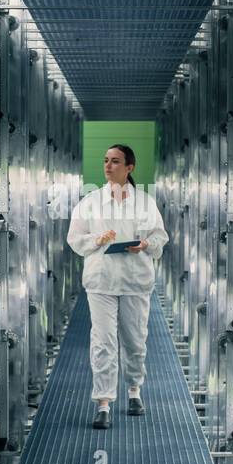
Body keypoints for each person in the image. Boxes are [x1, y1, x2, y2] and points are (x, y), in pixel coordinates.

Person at [66, 144, 170, 429]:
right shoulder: (90, 202)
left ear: (129, 168)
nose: (108, 166)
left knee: (135, 340)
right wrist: (97, 240)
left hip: (135, 280)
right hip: (101, 280)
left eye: (115, 161)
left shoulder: (145, 202)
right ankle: (103, 402)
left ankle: (134, 389)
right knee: (103, 341)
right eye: (105, 160)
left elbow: (160, 236)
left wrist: (146, 244)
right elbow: (74, 239)